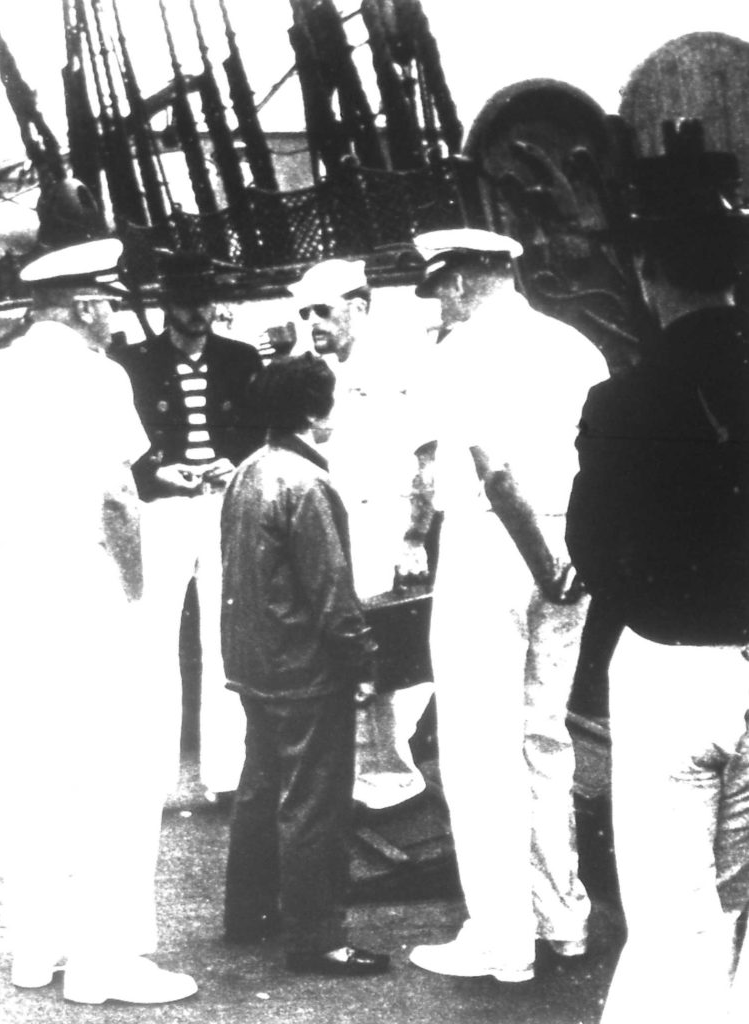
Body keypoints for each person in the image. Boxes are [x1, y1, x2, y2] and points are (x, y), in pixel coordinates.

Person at [0, 238, 197, 1006]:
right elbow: (119, 500)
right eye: (105, 300)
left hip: (15, 579)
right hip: (83, 579)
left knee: (30, 770)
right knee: (112, 771)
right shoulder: (99, 377)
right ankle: (106, 964)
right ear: (85, 304)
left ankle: (38, 947)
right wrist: (133, 592)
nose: (110, 314)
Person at [566, 123, 749, 1023]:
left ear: (648, 278)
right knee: (746, 907)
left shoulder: (623, 400)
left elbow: (594, 553)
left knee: (673, 911)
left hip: (673, 671)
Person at [404, 228, 607, 982]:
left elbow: (491, 470)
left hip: (497, 544)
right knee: (544, 734)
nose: (443, 304)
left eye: (442, 288)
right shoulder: (574, 344)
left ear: (457, 280)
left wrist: (537, 555)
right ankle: (564, 920)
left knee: (478, 743)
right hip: (573, 545)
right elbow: (602, 460)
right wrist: (568, 557)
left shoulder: (458, 354)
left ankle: (502, 940)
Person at [220, 352, 391, 977]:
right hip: (303, 664)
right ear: (316, 411)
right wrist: (363, 659)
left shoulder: (248, 471)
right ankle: (318, 936)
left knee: (261, 787)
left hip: (255, 658)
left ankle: (250, 911)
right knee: (314, 799)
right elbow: (331, 589)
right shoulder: (309, 484)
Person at [113, 252, 263, 799]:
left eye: (204, 301)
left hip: (224, 504)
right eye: (185, 303)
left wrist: (235, 460)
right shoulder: (132, 364)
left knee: (225, 635)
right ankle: (148, 771)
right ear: (165, 306)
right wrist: (158, 470)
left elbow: (259, 428)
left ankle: (226, 776)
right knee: (152, 634)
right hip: (164, 510)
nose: (197, 312)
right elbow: (121, 446)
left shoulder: (241, 359)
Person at [289, 257, 433, 811]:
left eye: (322, 311)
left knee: (388, 655)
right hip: (337, 527)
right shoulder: (319, 369)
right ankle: (367, 776)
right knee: (348, 648)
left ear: (359, 307)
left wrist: (415, 538)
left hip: (387, 525)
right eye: (305, 312)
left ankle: (391, 779)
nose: (313, 322)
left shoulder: (401, 362)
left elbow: (428, 458)